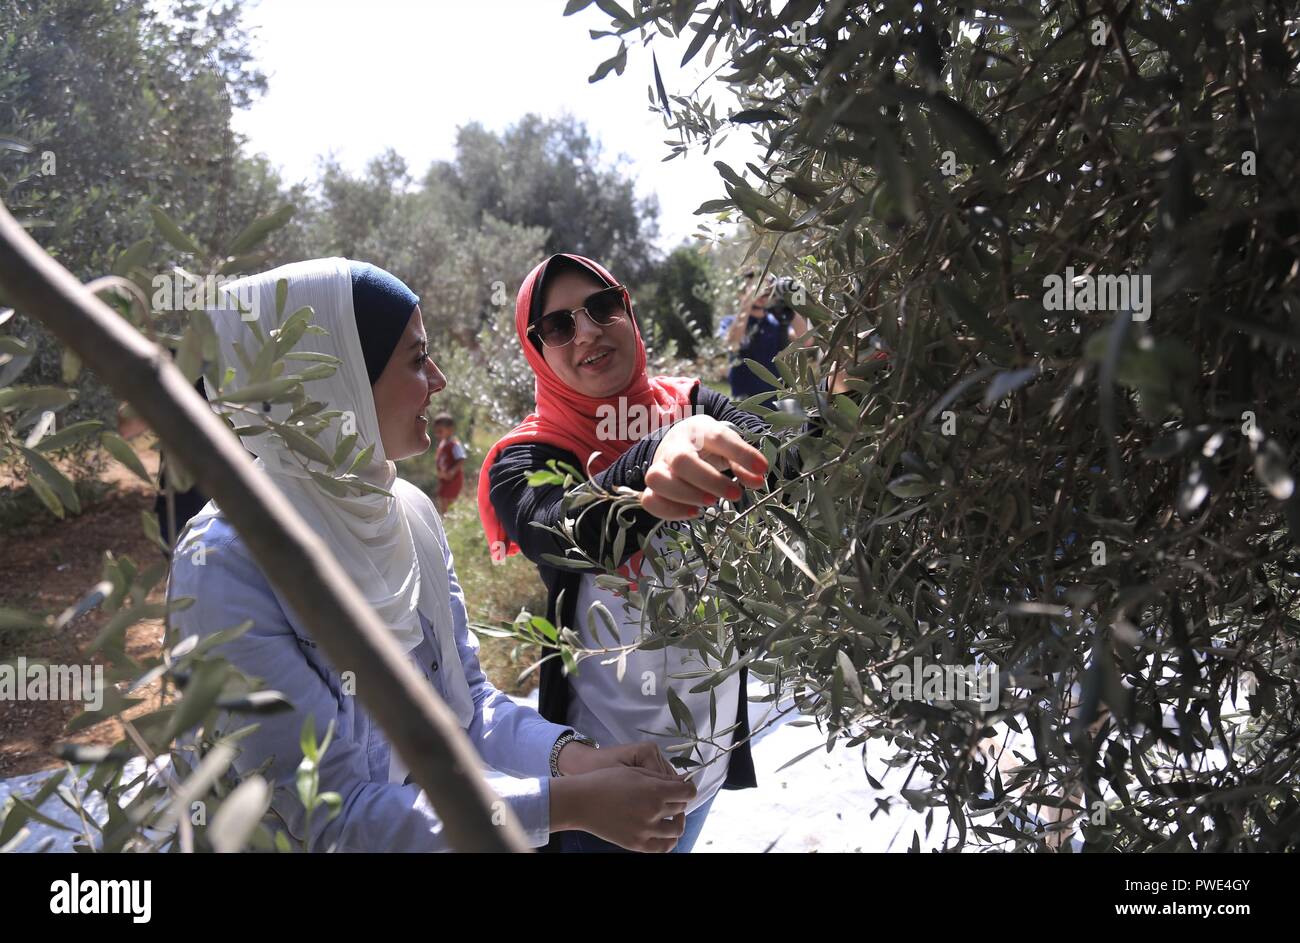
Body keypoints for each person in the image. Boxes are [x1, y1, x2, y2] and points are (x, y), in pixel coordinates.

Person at [167, 258, 695, 852]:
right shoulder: (229, 564)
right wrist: (569, 803)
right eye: (417, 360)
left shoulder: (408, 513)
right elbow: (328, 818)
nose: (439, 380)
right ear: (339, 379)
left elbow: (465, 706)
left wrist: (577, 759)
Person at [481, 253, 787, 853]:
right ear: (536, 350)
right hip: (607, 778)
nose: (587, 330)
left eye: (600, 307)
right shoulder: (526, 457)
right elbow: (564, 534)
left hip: (707, 753)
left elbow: (789, 460)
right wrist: (659, 450)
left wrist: (855, 399)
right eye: (558, 326)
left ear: (627, 309)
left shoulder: (696, 405)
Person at [719, 271, 806, 406]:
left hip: (777, 404)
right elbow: (732, 343)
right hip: (745, 405)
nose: (763, 292)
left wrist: (791, 306)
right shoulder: (730, 322)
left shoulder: (776, 321)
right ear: (741, 292)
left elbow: (806, 341)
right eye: (758, 286)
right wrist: (748, 299)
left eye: (766, 288)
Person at [432, 413, 466, 514]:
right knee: (442, 499)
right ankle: (444, 519)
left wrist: (452, 472)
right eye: (436, 431)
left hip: (453, 479)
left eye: (440, 431)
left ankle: (450, 519)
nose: (438, 434)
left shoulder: (454, 444)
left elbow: (461, 459)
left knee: (449, 501)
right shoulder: (443, 443)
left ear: (451, 430)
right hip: (444, 479)